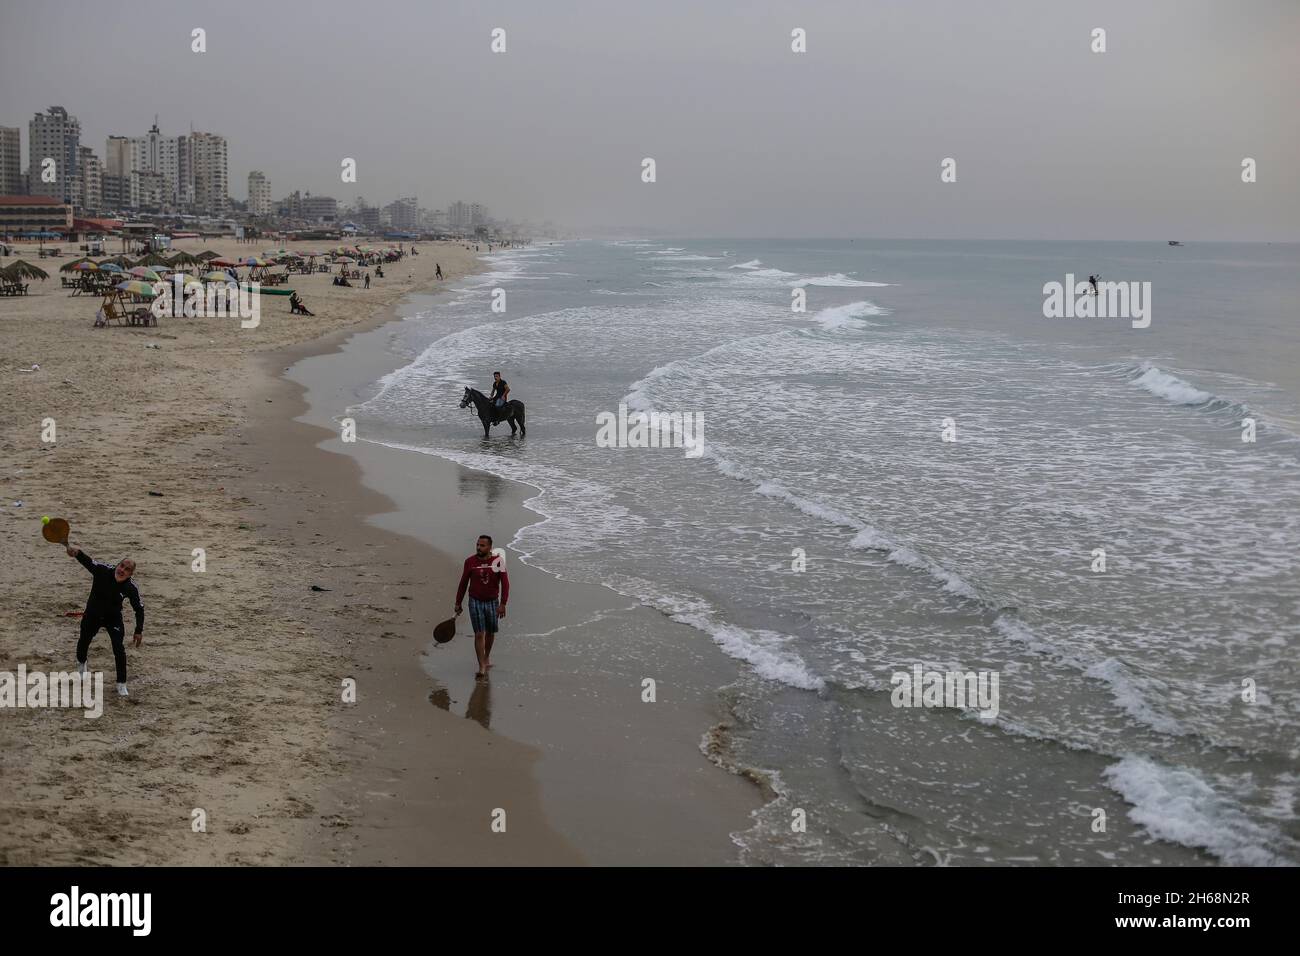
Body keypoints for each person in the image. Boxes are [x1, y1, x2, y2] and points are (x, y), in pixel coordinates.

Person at [66, 544, 143, 697]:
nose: (122, 570)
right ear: (118, 565)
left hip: (113, 618)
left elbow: (139, 609)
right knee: (84, 640)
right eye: (122, 566)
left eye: (127, 570)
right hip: (92, 615)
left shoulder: (131, 588)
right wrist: (77, 553)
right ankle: (82, 664)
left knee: (118, 649)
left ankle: (121, 684)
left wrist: (138, 630)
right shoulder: (102, 570)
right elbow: (88, 561)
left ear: (130, 574)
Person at [454, 535, 510, 679]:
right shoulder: (470, 562)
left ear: (490, 547)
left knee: (490, 632)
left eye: (482, 545)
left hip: (492, 601)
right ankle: (481, 666)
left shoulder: (498, 561)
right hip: (475, 601)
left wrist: (503, 603)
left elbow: (505, 583)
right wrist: (458, 602)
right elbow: (463, 583)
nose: (479, 548)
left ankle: (486, 657)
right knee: (479, 634)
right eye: (478, 545)